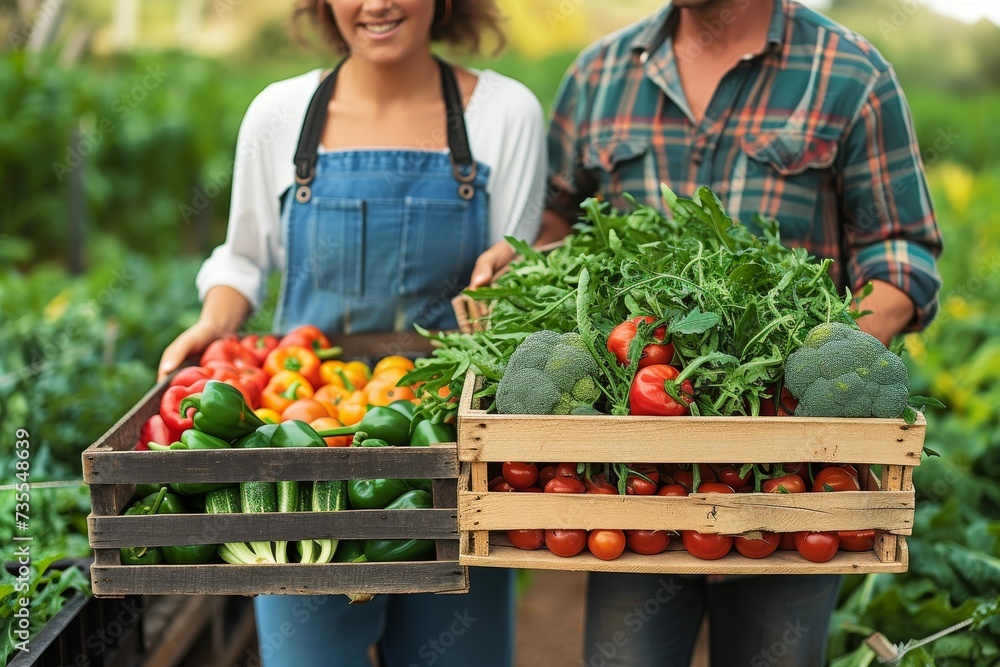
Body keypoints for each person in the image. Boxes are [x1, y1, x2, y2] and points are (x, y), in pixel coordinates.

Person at [543, 0, 942, 665]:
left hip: (793, 476)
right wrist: (520, 260)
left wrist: (814, 366)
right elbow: (554, 228)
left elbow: (900, 251)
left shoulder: (852, 74)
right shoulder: (599, 74)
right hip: (634, 473)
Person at [158, 1, 546, 665]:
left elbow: (521, 265)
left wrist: (516, 272)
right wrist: (214, 323)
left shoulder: (505, 114)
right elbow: (244, 257)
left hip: (449, 459)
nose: (377, 3)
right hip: (302, 456)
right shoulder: (280, 115)